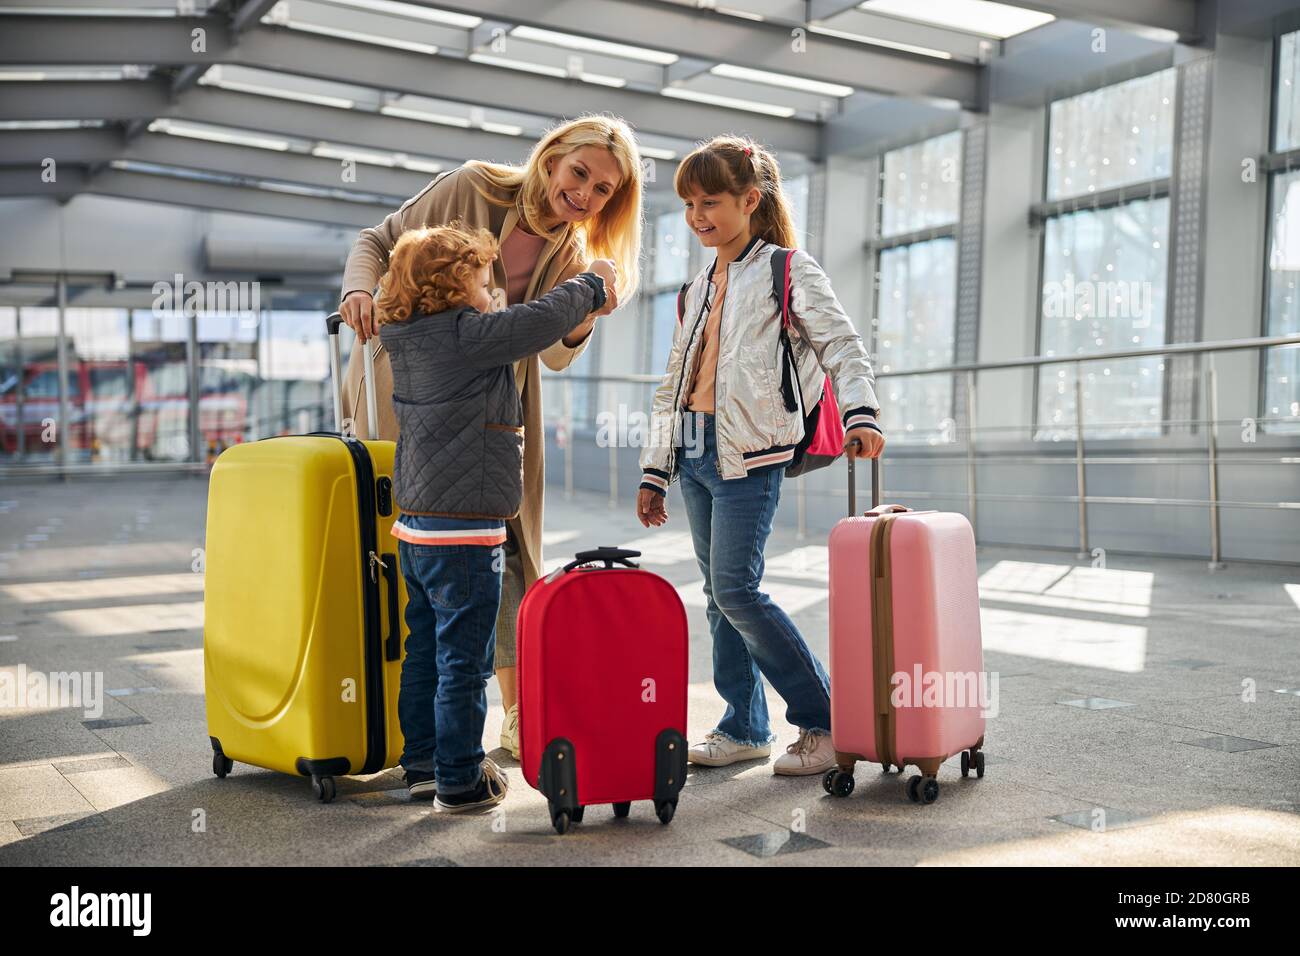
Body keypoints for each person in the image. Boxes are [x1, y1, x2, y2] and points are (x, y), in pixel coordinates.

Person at [338, 115, 643, 759]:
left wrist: (586, 313)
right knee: (433, 561)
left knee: (505, 554)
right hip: (417, 388)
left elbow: (555, 354)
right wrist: (360, 288)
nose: (586, 194)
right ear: (552, 158)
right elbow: (379, 238)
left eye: (604, 189)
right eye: (579, 173)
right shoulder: (473, 189)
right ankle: (446, 749)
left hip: (497, 410)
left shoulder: (571, 253)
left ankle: (506, 718)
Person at [636, 136, 886, 777]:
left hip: (749, 454)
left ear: (750, 200)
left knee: (737, 590)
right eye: (689, 203)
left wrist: (862, 414)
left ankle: (827, 720)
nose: (697, 216)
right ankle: (743, 728)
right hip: (691, 450)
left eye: (711, 201)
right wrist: (655, 469)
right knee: (719, 598)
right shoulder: (694, 289)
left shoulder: (788, 268)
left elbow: (842, 346)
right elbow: (673, 383)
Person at [374, 221, 616, 811]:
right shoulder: (467, 335)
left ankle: (424, 764)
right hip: (465, 530)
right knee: (463, 660)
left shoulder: (404, 336)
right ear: (454, 285)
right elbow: (538, 321)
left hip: (416, 527)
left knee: (426, 649)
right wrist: (591, 284)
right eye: (484, 281)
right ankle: (459, 779)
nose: (492, 293)